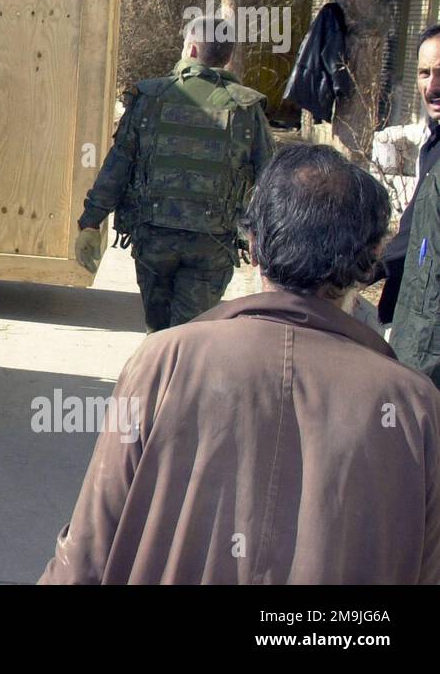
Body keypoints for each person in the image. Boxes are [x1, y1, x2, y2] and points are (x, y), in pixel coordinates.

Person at [41, 143, 440, 584]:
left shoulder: (165, 361)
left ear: (253, 245)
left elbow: (88, 547)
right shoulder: (415, 405)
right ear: (368, 260)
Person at [74, 15, 274, 331]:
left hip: (154, 238)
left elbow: (119, 165)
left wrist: (90, 221)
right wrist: (262, 240)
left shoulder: (150, 98)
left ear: (192, 51)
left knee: (158, 331)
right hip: (212, 245)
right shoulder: (247, 109)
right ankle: (179, 373)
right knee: (190, 334)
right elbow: (269, 181)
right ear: (228, 57)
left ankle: (160, 372)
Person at [374, 25, 440, 331]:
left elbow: (416, 235)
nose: (432, 86)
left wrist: (364, 270)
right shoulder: (433, 141)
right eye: (424, 73)